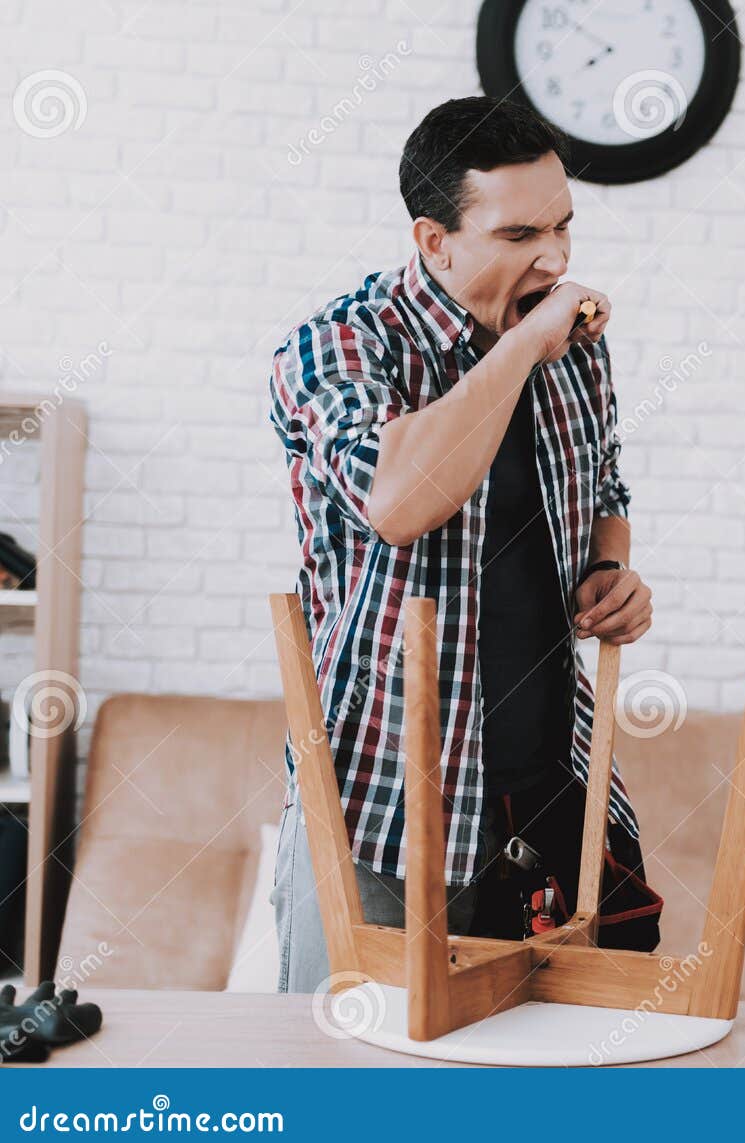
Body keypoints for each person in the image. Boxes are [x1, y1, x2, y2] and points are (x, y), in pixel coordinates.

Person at [266, 96, 657, 994]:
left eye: (563, 227)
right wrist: (521, 348)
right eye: (520, 233)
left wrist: (609, 568)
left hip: (544, 790)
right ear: (434, 240)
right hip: (381, 803)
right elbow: (400, 502)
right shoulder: (339, 347)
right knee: (346, 1094)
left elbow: (605, 487)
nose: (555, 259)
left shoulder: (577, 353)